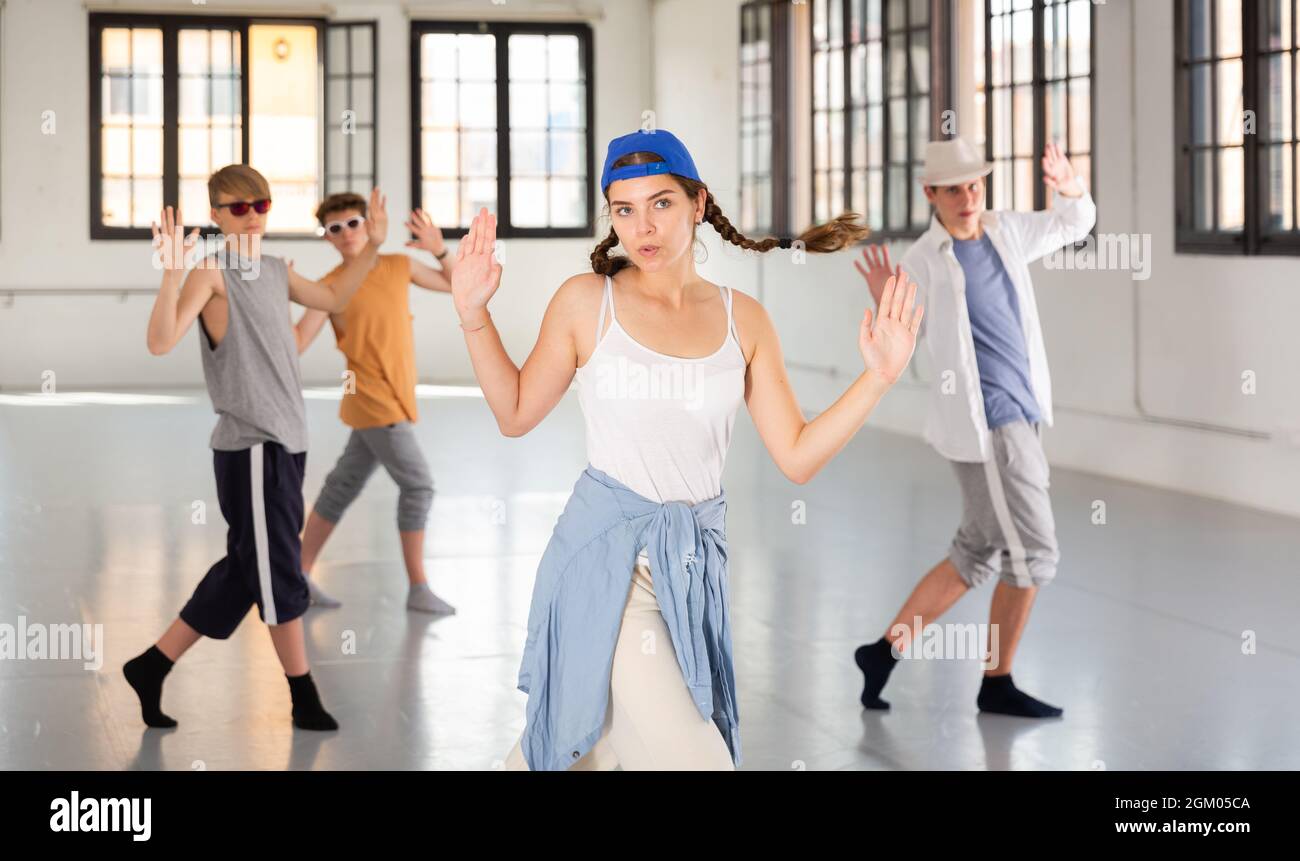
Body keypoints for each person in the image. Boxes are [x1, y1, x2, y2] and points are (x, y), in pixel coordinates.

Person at [451, 128, 923, 770]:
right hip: (607, 569)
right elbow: (513, 413)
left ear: (699, 203)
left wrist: (879, 378)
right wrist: (473, 312)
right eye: (624, 209)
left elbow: (798, 455)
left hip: (694, 571)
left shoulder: (744, 319)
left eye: (662, 203)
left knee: (588, 749)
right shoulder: (586, 304)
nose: (642, 226)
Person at [122, 165, 387, 731]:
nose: (250, 217)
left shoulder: (271, 270)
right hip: (252, 448)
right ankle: (303, 697)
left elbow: (335, 292)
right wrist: (172, 273)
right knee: (278, 570)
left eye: (260, 205)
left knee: (248, 568)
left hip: (288, 444)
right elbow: (160, 341)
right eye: (236, 208)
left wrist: (374, 247)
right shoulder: (210, 272)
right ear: (216, 215)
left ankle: (151, 665)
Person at [852, 138, 1095, 718]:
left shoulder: (1006, 230)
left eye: (975, 186)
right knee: (1035, 554)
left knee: (977, 551)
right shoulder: (919, 262)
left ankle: (882, 653)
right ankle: (997, 681)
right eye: (954, 189)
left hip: (1024, 411)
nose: (967, 198)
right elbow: (905, 353)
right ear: (930, 194)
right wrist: (888, 306)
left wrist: (1069, 184)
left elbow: (1076, 223)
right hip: (988, 425)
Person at [291, 194, 458, 615]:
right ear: (327, 239)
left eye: (352, 223)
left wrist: (440, 249)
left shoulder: (398, 266)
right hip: (371, 399)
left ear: (367, 225)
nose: (346, 233)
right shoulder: (329, 286)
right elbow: (295, 342)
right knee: (418, 485)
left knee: (342, 486)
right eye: (335, 228)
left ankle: (296, 576)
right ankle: (418, 586)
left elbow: (458, 286)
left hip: (394, 395)